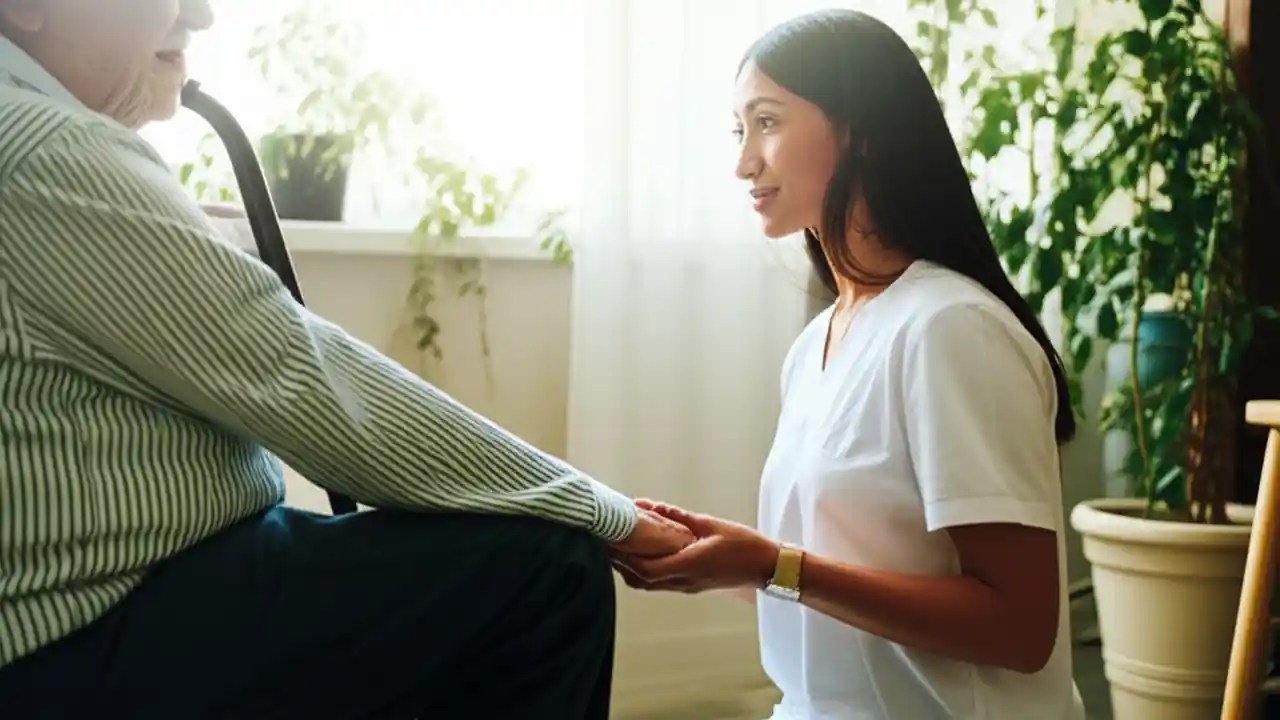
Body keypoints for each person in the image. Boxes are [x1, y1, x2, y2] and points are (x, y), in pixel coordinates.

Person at [0, 1, 691, 718]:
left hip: (106, 601)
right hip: (78, 628)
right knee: (545, 571)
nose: (200, 16)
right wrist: (605, 514)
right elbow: (308, 381)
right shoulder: (41, 145)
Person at [611, 10, 1088, 720]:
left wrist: (773, 566)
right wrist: (718, 559)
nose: (744, 161)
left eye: (767, 122)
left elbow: (1019, 628)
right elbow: (838, 578)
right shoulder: (820, 343)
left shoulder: (951, 328)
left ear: (858, 130)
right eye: (738, 131)